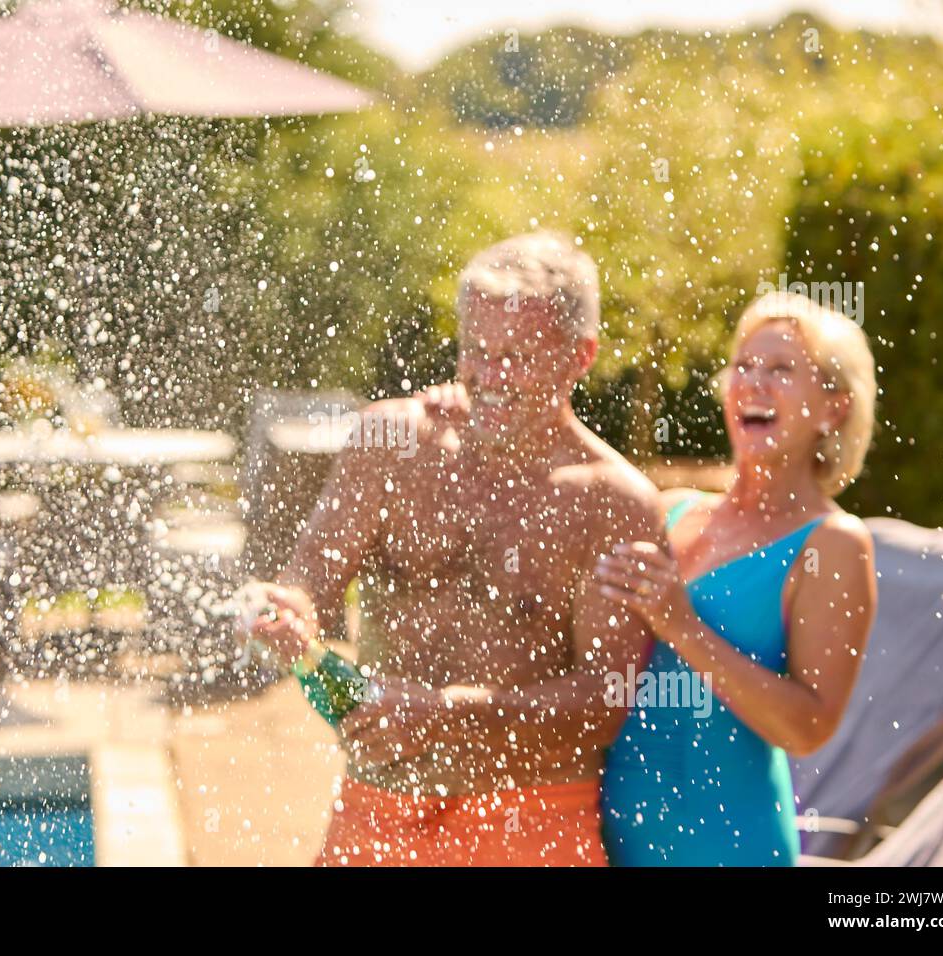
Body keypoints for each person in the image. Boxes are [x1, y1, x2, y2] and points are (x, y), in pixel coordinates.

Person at [242, 231, 663, 866]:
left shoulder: (613, 501)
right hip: (377, 813)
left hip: (533, 823)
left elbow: (606, 699)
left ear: (582, 354)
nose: (489, 377)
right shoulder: (391, 444)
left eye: (518, 355)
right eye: (476, 349)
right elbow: (310, 579)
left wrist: (444, 714)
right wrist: (287, 610)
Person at [596, 291, 878, 865]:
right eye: (743, 367)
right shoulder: (668, 510)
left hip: (725, 848)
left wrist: (683, 627)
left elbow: (808, 727)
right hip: (606, 838)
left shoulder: (835, 545)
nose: (753, 383)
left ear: (833, 408)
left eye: (781, 370)